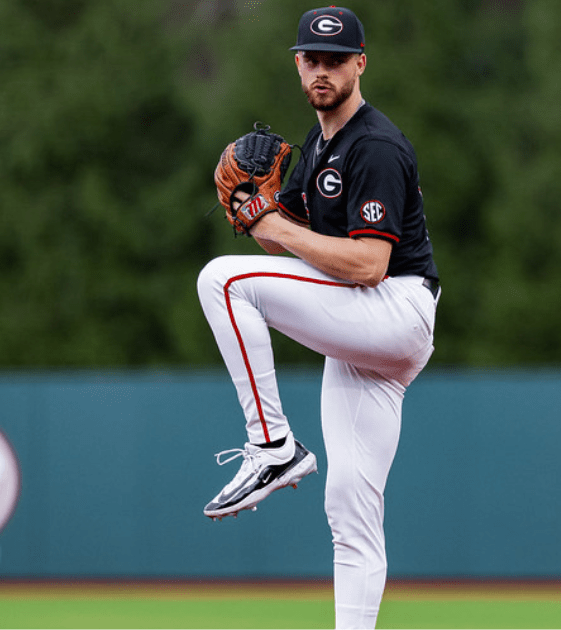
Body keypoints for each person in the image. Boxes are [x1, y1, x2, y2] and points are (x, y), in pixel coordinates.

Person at [195, 6, 439, 629]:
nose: (322, 69)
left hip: (392, 305)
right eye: (312, 59)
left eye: (336, 59)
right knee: (350, 506)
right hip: (366, 338)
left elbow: (366, 265)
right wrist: (255, 214)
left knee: (221, 280)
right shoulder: (319, 148)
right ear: (299, 65)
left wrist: (272, 224)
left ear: (360, 63)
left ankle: (271, 444)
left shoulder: (374, 144)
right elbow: (290, 245)